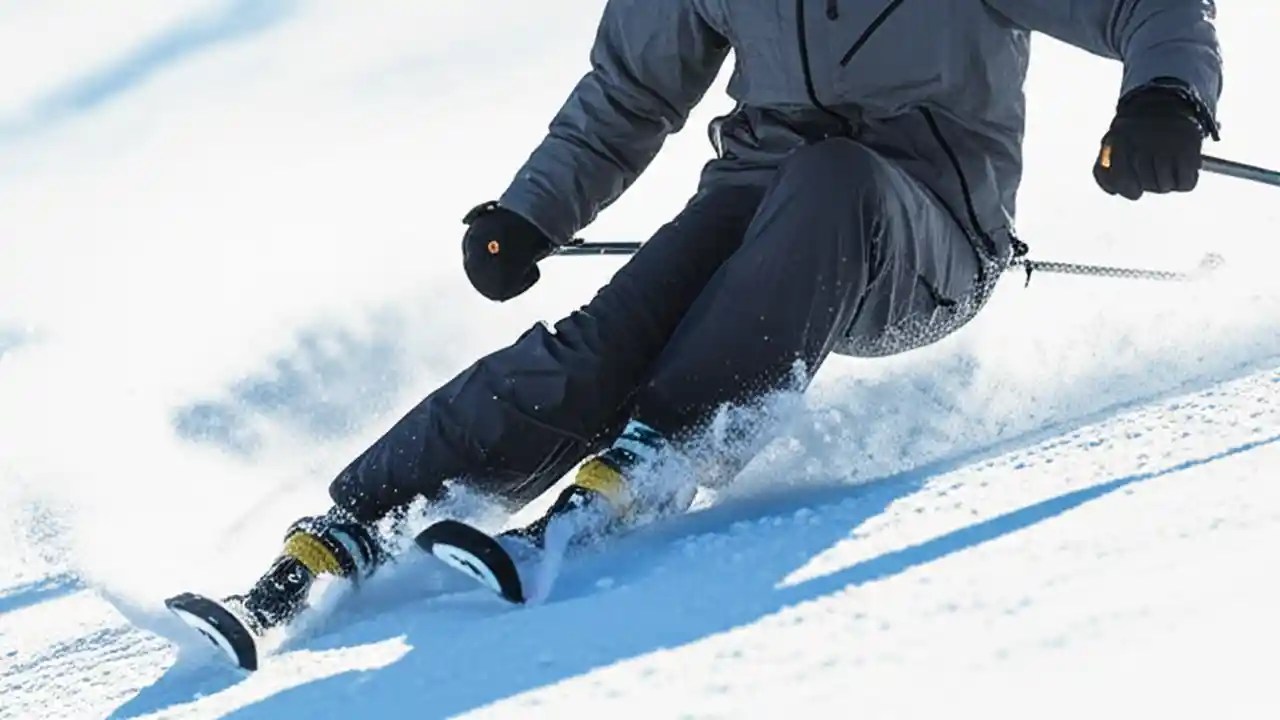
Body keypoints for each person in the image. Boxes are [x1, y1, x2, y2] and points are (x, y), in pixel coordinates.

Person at [230, 0, 1222, 630]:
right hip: (752, 205)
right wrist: (527, 212)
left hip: (923, 239)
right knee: (606, 339)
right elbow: (627, 91)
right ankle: (362, 520)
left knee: (835, 179)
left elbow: (1148, 6)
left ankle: (664, 453)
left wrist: (1164, 98)